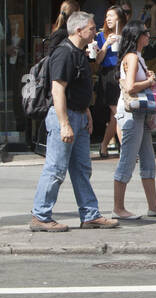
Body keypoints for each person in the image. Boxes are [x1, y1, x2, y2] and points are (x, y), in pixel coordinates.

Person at [30, 12, 119, 232]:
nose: (95, 32)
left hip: (78, 115)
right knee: (56, 168)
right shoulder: (64, 53)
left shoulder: (79, 53)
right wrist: (64, 123)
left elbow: (79, 88)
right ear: (78, 31)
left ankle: (90, 214)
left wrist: (86, 112)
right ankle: (41, 216)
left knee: (81, 168)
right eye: (91, 28)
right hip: (66, 116)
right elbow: (58, 89)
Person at [112, 21, 156, 220]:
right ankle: (118, 207)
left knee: (148, 159)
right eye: (146, 32)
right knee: (128, 159)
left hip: (141, 113)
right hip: (131, 113)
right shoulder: (131, 56)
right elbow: (130, 86)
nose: (149, 35)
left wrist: (148, 78)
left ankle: (153, 205)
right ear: (137, 36)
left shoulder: (137, 57)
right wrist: (149, 81)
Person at [95, 5, 126, 159]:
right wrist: (106, 44)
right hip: (109, 75)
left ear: (119, 18)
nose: (108, 19)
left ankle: (104, 145)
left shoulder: (125, 35)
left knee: (114, 117)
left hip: (123, 74)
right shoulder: (101, 36)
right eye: (107, 16)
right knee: (118, 113)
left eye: (111, 16)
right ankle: (126, 151)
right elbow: (98, 60)